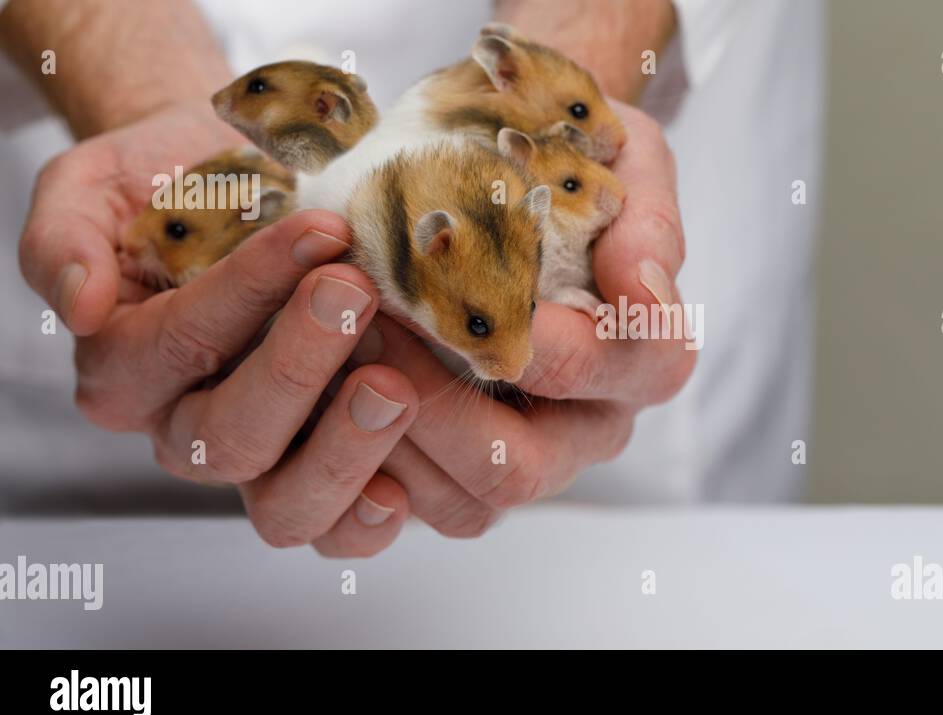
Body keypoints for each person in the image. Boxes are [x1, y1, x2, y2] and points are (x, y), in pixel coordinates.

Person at [0, 0, 824, 555]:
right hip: (68, 513)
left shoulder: (492, 167)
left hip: (629, 529)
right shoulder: (379, 224)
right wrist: (127, 77)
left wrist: (588, 45)